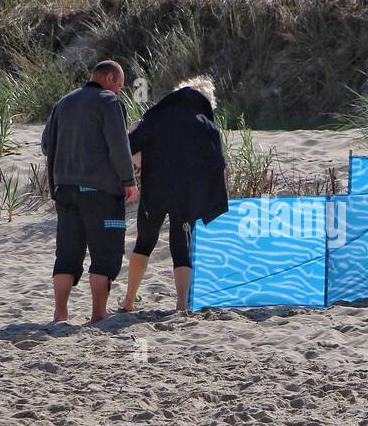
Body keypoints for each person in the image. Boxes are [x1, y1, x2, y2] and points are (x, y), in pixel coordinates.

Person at [40, 60, 138, 324]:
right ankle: (97, 314)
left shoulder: (63, 102)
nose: (119, 91)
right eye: (119, 85)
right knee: (105, 254)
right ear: (109, 79)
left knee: (67, 255)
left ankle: (60, 314)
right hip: (101, 192)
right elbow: (119, 147)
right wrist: (129, 181)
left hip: (65, 189)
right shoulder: (109, 102)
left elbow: (46, 145)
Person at [121, 76, 229, 313]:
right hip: (186, 193)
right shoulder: (205, 124)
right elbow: (216, 164)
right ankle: (181, 305)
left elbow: (129, 143)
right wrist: (216, 200)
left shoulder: (157, 115)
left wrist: (139, 158)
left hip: (154, 189)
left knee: (144, 242)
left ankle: (129, 300)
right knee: (181, 248)